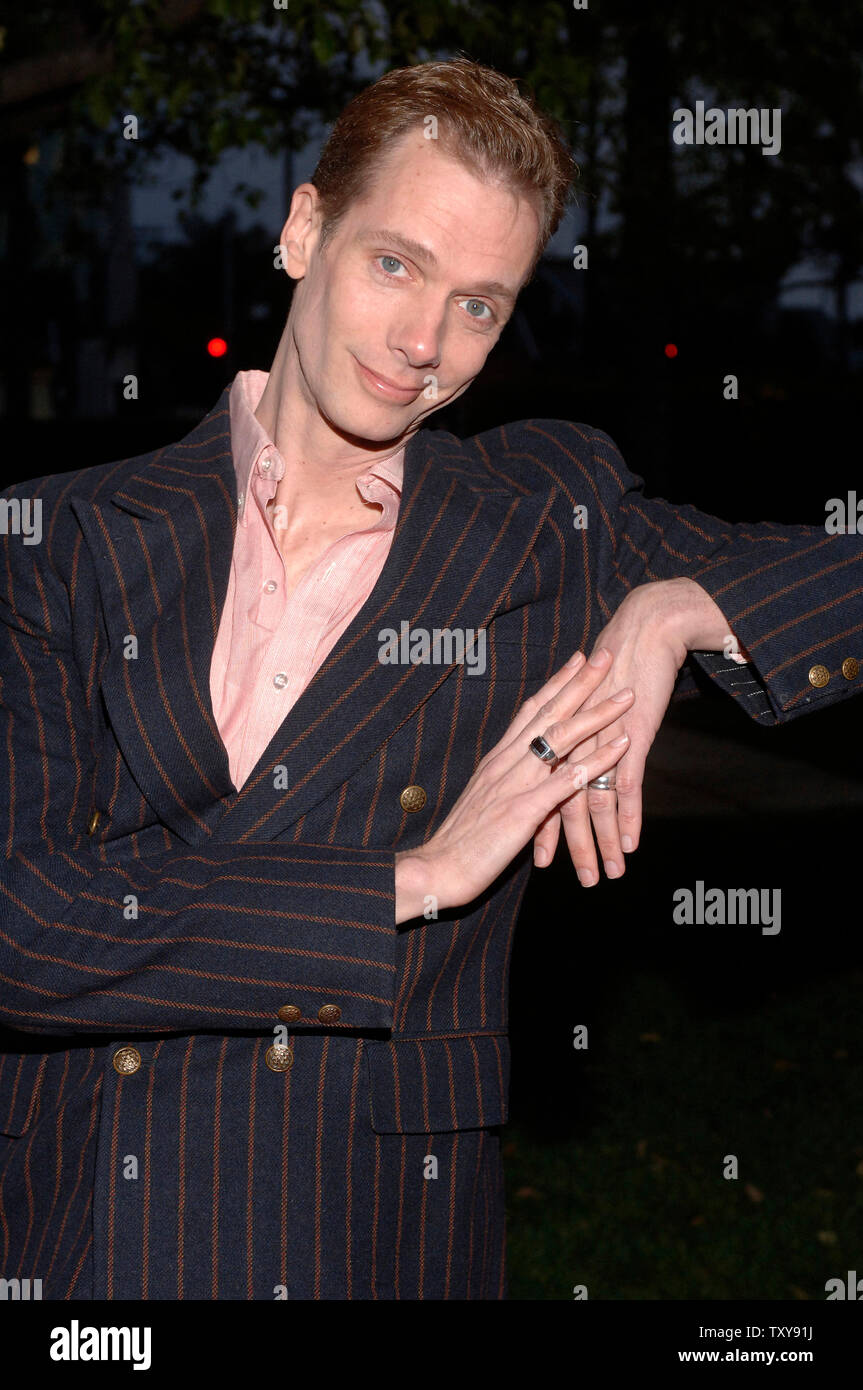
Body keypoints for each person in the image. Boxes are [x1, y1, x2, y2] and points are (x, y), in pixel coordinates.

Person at [0, 57, 860, 1302]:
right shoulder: (57, 539)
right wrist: (416, 877)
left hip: (371, 1235)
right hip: (91, 1233)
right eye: (394, 265)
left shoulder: (536, 522)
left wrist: (679, 605)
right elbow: (25, 923)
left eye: (477, 304)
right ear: (303, 230)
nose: (420, 344)